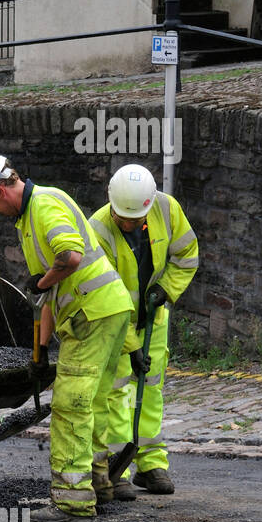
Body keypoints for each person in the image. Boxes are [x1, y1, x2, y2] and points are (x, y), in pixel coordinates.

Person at [0, 153, 134, 522]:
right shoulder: (32, 215)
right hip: (109, 309)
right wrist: (39, 353)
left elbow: (68, 258)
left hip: (92, 313)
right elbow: (48, 299)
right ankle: (99, 482)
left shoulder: (43, 206)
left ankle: (72, 503)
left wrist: (40, 281)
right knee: (96, 401)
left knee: (71, 406)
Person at [89, 164, 199, 495]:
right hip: (116, 322)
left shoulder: (167, 209)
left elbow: (187, 255)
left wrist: (166, 288)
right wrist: (132, 345)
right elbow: (105, 296)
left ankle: (151, 464)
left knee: (151, 388)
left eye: (134, 219)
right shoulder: (98, 229)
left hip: (153, 317)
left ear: (149, 206)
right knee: (118, 390)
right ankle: (116, 467)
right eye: (122, 217)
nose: (127, 223)